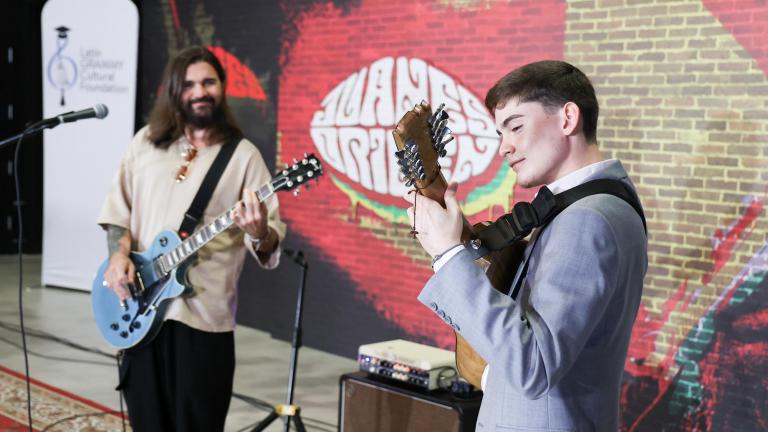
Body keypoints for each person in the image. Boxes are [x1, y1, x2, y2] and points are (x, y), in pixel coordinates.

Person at [404, 60, 647, 431]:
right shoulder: (596, 206)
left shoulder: (586, 220)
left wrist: (448, 254)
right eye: (501, 133)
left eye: (515, 126)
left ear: (568, 118)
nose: (505, 147)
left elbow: (535, 366)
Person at [98, 46, 286, 431]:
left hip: (203, 320)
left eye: (208, 82)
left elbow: (269, 242)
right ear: (174, 91)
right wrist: (118, 257)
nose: (200, 92)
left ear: (222, 88)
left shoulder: (243, 156)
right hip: (141, 311)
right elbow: (119, 214)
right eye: (189, 85)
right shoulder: (145, 143)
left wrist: (259, 231)